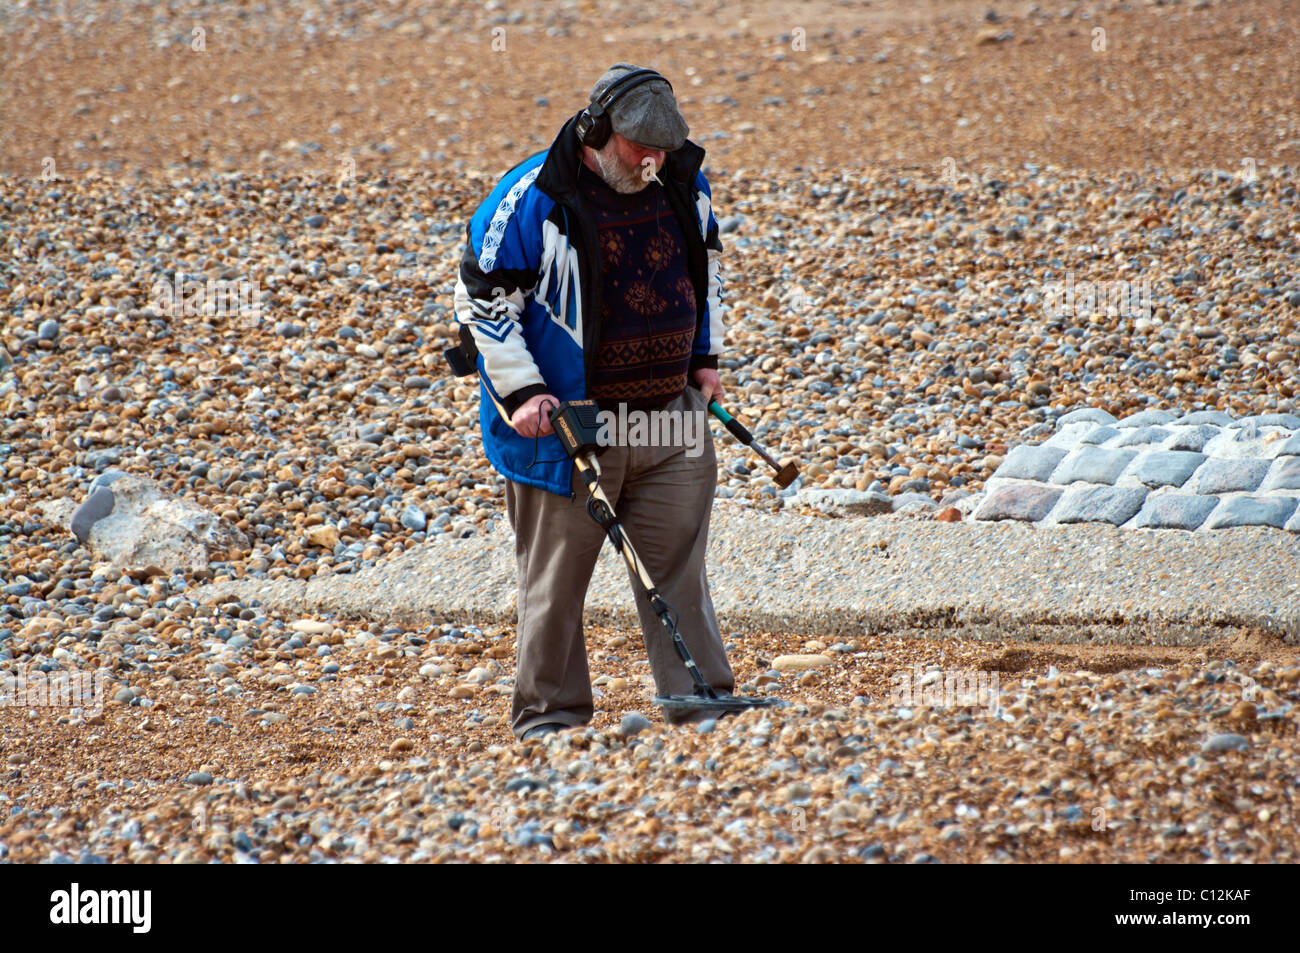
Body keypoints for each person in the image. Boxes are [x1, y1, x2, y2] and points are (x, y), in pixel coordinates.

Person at [450, 63, 737, 741]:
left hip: (670, 417)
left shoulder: (680, 182)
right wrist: (522, 390)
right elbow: (480, 298)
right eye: (640, 147)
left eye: (662, 147)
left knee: (679, 573)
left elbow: (707, 267)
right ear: (599, 132)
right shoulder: (528, 199)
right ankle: (550, 720)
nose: (652, 160)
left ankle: (701, 701)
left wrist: (705, 360)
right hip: (566, 430)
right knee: (555, 586)